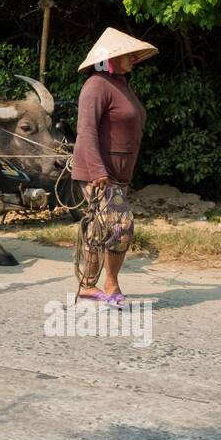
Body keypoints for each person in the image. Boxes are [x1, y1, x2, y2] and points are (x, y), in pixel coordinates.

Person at [70, 27, 157, 306]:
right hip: (99, 173)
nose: (132, 58)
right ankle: (111, 285)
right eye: (126, 54)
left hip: (117, 173)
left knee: (100, 228)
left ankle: (87, 285)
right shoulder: (95, 86)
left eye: (132, 54)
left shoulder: (122, 85)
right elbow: (86, 131)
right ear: (110, 58)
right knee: (121, 226)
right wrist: (98, 172)